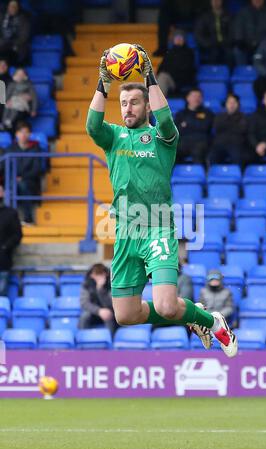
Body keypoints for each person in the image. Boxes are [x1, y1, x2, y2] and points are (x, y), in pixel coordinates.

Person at [86, 45, 237, 357]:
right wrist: (104, 81)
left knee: (168, 306)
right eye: (123, 103)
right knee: (125, 315)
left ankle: (210, 320)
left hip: (157, 227)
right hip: (127, 233)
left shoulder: (161, 138)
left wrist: (149, 75)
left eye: (134, 103)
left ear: (146, 107)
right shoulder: (113, 137)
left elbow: (167, 121)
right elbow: (92, 126)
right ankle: (190, 312)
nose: (127, 108)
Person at [7, 121, 43, 224]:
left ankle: (28, 219)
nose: (23, 135)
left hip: (30, 182)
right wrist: (14, 178)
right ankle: (10, 221)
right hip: (12, 180)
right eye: (20, 132)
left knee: (21, 185)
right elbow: (5, 167)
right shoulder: (10, 149)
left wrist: (23, 178)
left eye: (26, 132)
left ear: (30, 134)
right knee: (11, 187)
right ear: (16, 134)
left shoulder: (36, 149)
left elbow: (37, 169)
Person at [174, 88, 214, 165]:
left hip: (201, 142)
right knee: (171, 152)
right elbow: (176, 130)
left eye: (199, 96)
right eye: (194, 96)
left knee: (199, 152)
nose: (196, 99)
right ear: (187, 98)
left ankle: (199, 174)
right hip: (183, 142)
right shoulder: (181, 114)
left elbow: (205, 128)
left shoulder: (208, 113)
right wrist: (193, 125)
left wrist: (187, 125)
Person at [208, 93, 248, 166]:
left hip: (236, 144)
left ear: (238, 104)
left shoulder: (243, 117)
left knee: (238, 158)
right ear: (226, 104)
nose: (231, 105)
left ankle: (238, 175)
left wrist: (226, 125)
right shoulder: (219, 116)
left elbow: (242, 129)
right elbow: (217, 128)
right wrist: (233, 125)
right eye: (229, 102)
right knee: (212, 157)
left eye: (234, 102)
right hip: (220, 144)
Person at [233, 0, 266, 66]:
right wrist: (240, 40)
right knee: (238, 50)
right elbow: (238, 27)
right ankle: (242, 72)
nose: (257, 0)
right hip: (246, 43)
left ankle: (262, 73)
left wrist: (263, 43)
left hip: (262, 44)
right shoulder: (243, 12)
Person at [157, 30, 196, 97]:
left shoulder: (189, 53)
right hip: (167, 77)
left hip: (179, 81)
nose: (178, 40)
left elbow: (187, 69)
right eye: (176, 38)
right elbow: (161, 67)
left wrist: (168, 71)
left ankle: (159, 104)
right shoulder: (169, 52)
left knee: (162, 77)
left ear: (184, 40)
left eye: (180, 38)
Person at [79, 263, 117, 334]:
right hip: (94, 312)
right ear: (91, 275)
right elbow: (84, 303)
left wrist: (101, 290)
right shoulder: (87, 284)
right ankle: (81, 339)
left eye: (101, 273)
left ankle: (110, 340)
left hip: (110, 311)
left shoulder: (111, 284)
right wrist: (99, 311)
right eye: (96, 274)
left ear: (106, 274)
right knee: (84, 317)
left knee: (108, 316)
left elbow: (112, 303)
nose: (99, 276)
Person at [0, 183, 22, 296]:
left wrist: (5, 247)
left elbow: (17, 235)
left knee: (1, 296)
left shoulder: (11, 214)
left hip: (3, 262)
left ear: (3, 193)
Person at [194, 0, 232, 65]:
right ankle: (213, 73)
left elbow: (233, 31)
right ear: (211, 2)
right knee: (214, 54)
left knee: (230, 54)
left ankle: (230, 74)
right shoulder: (204, 16)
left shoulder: (228, 15)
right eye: (214, 0)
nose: (216, 2)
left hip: (226, 43)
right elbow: (199, 33)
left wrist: (229, 41)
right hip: (211, 44)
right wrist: (207, 43)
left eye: (218, 0)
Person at [0, 0, 31, 65]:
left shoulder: (24, 19)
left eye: (15, 6)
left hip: (16, 47)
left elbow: (24, 37)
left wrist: (10, 43)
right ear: (7, 7)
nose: (12, 8)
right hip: (2, 45)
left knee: (9, 53)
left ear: (18, 8)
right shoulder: (2, 17)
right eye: (11, 6)